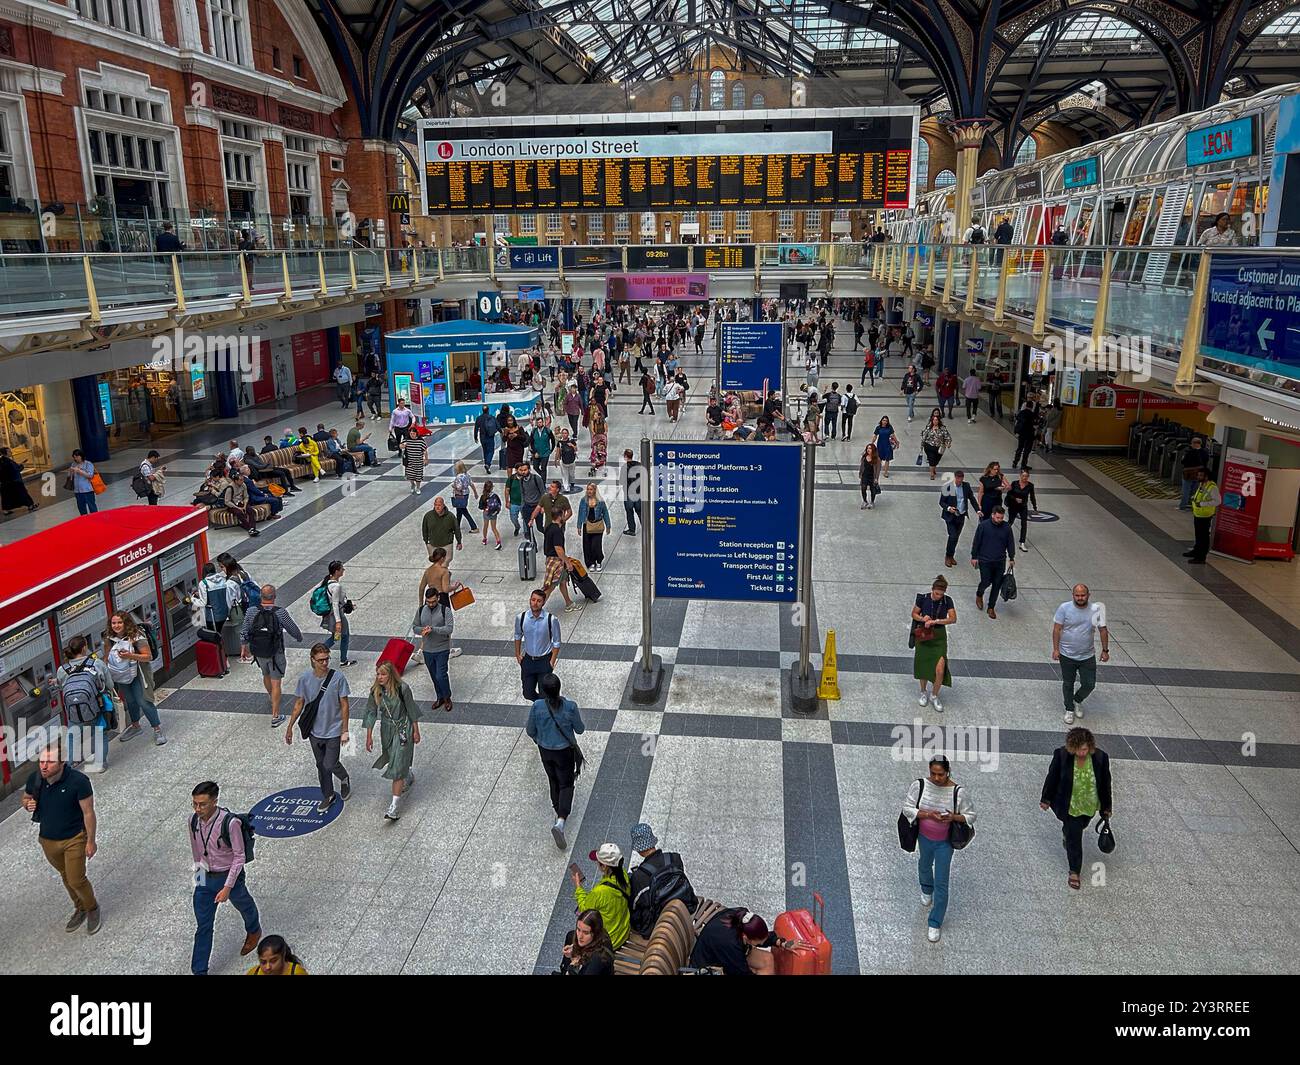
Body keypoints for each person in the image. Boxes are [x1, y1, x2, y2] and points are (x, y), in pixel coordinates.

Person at [22, 742, 101, 935]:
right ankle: (79, 907)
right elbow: (26, 797)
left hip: (74, 838)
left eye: (49, 762)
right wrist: (27, 804)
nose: (43, 766)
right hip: (48, 840)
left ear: (62, 762)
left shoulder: (78, 781)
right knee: (66, 876)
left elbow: (88, 813)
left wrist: (91, 841)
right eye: (41, 761)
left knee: (76, 879)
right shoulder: (36, 779)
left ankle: (91, 908)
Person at [901, 755, 976, 942]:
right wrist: (927, 814)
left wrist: (954, 818)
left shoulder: (958, 792)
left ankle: (935, 922)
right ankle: (926, 888)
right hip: (924, 837)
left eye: (940, 774)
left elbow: (971, 816)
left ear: (947, 772)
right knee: (924, 865)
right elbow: (907, 809)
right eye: (933, 773)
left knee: (942, 881)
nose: (936, 778)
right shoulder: (919, 786)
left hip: (945, 843)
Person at [189, 780, 261, 974]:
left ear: (215, 801)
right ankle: (199, 971)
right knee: (203, 926)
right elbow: (196, 852)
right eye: (194, 804)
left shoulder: (231, 823)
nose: (198, 809)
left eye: (202, 804)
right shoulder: (193, 821)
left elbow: (239, 857)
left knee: (244, 904)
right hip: (205, 878)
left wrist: (227, 887)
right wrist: (199, 883)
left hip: (230, 876)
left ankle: (254, 929)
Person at [1040, 728, 1113, 891]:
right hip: (1069, 805)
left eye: (1085, 749)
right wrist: (1046, 798)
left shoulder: (1100, 758)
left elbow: (1105, 784)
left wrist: (1106, 807)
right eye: (1079, 749)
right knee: (1075, 837)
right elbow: (1052, 777)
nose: (1082, 752)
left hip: (1088, 805)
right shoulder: (1062, 755)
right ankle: (1074, 871)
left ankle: (1067, 833)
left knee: (1078, 827)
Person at [285, 643, 352, 814]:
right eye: (321, 660)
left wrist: (345, 730)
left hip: (334, 730)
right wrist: (290, 726)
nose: (324, 663)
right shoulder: (305, 678)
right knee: (321, 765)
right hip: (314, 730)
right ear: (312, 660)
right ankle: (328, 795)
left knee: (329, 764)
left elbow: (344, 705)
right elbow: (299, 703)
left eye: (327, 659)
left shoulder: (338, 678)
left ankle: (344, 777)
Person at [527, 671, 584, 849]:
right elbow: (580, 729)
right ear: (559, 689)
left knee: (553, 780)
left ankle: (557, 811)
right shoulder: (570, 707)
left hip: (545, 750)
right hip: (564, 752)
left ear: (542, 691)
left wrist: (539, 740)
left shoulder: (537, 706)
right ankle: (561, 821)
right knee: (566, 783)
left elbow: (530, 731)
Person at [362, 660, 422, 821]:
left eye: (383, 674)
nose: (379, 677)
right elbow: (371, 712)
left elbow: (411, 709)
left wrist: (416, 731)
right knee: (395, 760)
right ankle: (406, 774)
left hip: (403, 728)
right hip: (387, 730)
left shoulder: (403, 689)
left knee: (396, 766)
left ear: (390, 675)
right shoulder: (376, 691)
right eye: (378, 674)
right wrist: (369, 735)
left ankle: (394, 806)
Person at [240, 584, 303, 727]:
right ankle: (275, 715)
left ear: (261, 597)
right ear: (274, 597)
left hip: (259, 652)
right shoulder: (280, 612)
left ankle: (271, 697)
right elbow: (292, 629)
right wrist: (299, 637)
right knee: (276, 682)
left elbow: (244, 630)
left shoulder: (251, 612)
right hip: (276, 653)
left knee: (265, 675)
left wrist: (243, 647)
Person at [103, 611, 165, 746]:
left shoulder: (137, 636)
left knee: (143, 701)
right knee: (130, 701)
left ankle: (157, 729)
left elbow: (147, 656)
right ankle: (136, 726)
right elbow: (106, 657)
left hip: (139, 673)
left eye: (120, 622)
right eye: (114, 623)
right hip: (121, 674)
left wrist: (130, 656)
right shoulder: (109, 638)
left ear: (126, 623)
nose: (116, 625)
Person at [1052, 583, 1109, 725]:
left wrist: (1105, 650)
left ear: (1088, 595)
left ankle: (1077, 699)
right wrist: (1056, 649)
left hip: (1087, 655)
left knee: (1089, 684)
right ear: (1073, 596)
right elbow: (1057, 629)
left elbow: (1103, 630)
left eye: (1083, 595)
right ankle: (1069, 708)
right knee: (1068, 683)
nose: (1080, 598)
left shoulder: (1096, 609)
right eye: (1077, 595)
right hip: (1067, 654)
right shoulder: (1064, 608)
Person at [628, 822, 697, 937]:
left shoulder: (639, 876)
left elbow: (636, 905)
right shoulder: (674, 857)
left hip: (660, 921)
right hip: (683, 906)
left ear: (638, 850)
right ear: (653, 841)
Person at [570, 842, 631, 950]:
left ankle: (570, 965)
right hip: (624, 931)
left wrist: (578, 886)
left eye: (598, 862)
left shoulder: (600, 892)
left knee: (571, 936)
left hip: (610, 941)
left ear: (605, 866)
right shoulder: (624, 875)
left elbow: (584, 910)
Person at [690, 908, 783, 974]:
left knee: (768, 959)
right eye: (758, 943)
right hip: (708, 966)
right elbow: (741, 971)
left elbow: (761, 937)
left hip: (725, 954)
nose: (761, 944)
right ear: (745, 937)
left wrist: (780, 942)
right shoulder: (730, 944)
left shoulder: (742, 919)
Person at [912, 575, 955, 710]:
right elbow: (914, 614)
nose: (938, 596)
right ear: (932, 590)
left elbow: (953, 618)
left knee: (940, 669)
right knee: (923, 665)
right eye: (936, 593)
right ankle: (923, 692)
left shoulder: (947, 601)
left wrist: (936, 621)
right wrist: (923, 618)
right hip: (924, 635)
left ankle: (934, 695)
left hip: (939, 637)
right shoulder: (923, 598)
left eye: (941, 594)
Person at [414, 585, 455, 713]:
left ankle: (447, 697)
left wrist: (434, 629)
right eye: (428, 602)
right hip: (427, 649)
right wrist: (422, 630)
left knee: (441, 675)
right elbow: (415, 627)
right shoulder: (421, 610)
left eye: (433, 601)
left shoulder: (445, 610)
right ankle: (440, 697)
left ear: (438, 598)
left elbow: (449, 628)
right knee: (433, 675)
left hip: (442, 648)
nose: (431, 604)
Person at [515, 589, 561, 703]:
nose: (535, 603)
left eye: (539, 601)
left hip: (544, 661)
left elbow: (557, 641)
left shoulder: (551, 619)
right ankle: (540, 705)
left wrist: (552, 661)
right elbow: (517, 636)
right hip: (528, 660)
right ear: (530, 600)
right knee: (527, 693)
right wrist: (517, 654)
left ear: (543, 603)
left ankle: (543, 709)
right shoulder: (521, 618)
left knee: (544, 694)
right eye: (533, 600)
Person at [971, 506, 1015, 619]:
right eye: (997, 517)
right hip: (985, 560)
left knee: (996, 584)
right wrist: (974, 556)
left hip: (999, 561)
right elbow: (976, 542)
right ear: (992, 515)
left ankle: (991, 607)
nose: (1000, 520)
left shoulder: (1007, 528)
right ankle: (979, 594)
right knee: (986, 581)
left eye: (1001, 518)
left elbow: (1010, 543)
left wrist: (1011, 557)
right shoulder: (983, 526)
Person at [540, 497, 578, 611]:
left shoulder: (549, 527)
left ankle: (568, 603)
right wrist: (567, 562)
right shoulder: (557, 531)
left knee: (562, 582)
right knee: (549, 587)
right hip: (556, 562)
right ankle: (537, 609)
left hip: (551, 559)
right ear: (560, 516)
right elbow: (558, 549)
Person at [558, 910, 615, 975]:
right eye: (578, 929)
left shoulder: (598, 959)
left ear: (595, 933)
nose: (580, 936)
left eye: (586, 933)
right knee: (570, 935)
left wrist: (573, 964)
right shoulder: (600, 933)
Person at [939, 469, 977, 566]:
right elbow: (942, 502)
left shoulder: (966, 486)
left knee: (956, 537)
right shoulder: (948, 487)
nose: (959, 481)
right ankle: (948, 556)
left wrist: (978, 510)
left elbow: (971, 498)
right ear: (955, 478)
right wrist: (948, 508)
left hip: (961, 515)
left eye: (961, 479)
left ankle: (951, 555)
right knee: (953, 536)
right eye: (958, 479)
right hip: (950, 517)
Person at [1186, 466, 1221, 564]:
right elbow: (1201, 495)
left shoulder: (1212, 487)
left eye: (1201, 475)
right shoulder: (1202, 484)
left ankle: (1201, 557)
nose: (1198, 477)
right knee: (1198, 535)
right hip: (1198, 514)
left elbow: (1218, 501)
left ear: (1206, 476)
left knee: (1203, 537)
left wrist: (1202, 504)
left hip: (1205, 515)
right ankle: (1196, 551)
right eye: (1198, 475)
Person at [577, 483, 611, 571]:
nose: (589, 491)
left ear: (595, 490)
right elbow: (580, 513)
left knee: (596, 545)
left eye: (591, 489)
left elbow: (605, 513)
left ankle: (599, 560)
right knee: (587, 545)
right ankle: (591, 562)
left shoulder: (600, 502)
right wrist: (579, 526)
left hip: (597, 526)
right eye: (588, 489)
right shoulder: (583, 500)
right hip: (587, 525)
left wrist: (608, 526)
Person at [1005, 467, 1038, 551]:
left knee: (1024, 523)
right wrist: (1015, 499)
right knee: (1010, 521)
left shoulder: (1030, 485)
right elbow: (1009, 494)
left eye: (1026, 476)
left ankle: (1022, 542)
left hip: (1023, 506)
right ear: (1020, 476)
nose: (1024, 478)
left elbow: (1032, 496)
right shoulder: (1014, 483)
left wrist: (1035, 507)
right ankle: (1003, 536)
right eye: (1023, 476)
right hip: (1013, 505)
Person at [0, 446, 38, 514]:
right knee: (23, 493)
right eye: (9, 451)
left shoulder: (2, 461)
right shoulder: (8, 462)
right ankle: (30, 505)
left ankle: (5, 510)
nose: (11, 452)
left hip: (5, 483)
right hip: (15, 481)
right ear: (5, 453)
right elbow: (15, 470)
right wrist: (22, 466)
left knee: (7, 497)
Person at [1178, 436, 1210, 511]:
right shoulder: (1204, 452)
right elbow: (1206, 462)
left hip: (1188, 474)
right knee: (1195, 491)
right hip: (1198, 475)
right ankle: (1192, 506)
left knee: (1186, 490)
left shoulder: (1189, 452)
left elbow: (1183, 461)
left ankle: (1183, 506)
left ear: (1193, 443)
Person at [920, 411, 951, 480]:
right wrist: (922, 446)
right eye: (934, 420)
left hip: (939, 447)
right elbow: (923, 436)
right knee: (931, 460)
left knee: (936, 460)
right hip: (929, 446)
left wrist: (948, 443)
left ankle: (933, 468)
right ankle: (932, 473)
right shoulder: (928, 428)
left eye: (936, 420)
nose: (935, 421)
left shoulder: (943, 428)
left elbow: (947, 436)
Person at [450, 461, 479, 533]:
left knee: (464, 511)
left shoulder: (458, 477)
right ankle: (457, 526)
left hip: (460, 495)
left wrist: (454, 486)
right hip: (466, 494)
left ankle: (474, 527)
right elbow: (471, 484)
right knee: (459, 511)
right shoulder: (467, 475)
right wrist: (475, 493)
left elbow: (459, 487)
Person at [620, 448, 643, 535]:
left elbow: (622, 481)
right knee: (640, 511)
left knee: (629, 512)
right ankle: (645, 527)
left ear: (625, 456)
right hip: (638, 493)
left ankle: (632, 530)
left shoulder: (624, 467)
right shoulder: (639, 465)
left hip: (629, 493)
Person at [69, 449, 98, 515]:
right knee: (81, 508)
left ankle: (96, 520)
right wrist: (71, 472)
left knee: (92, 507)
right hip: (77, 491)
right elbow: (71, 478)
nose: (75, 458)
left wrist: (79, 471)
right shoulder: (73, 464)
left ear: (81, 456)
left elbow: (90, 475)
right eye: (74, 457)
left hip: (87, 490)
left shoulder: (88, 464)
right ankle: (84, 521)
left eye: (77, 456)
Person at [401, 428, 429, 493]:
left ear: (416, 433)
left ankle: (418, 487)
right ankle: (412, 484)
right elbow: (401, 445)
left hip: (418, 462)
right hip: (409, 462)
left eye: (413, 433)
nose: (412, 435)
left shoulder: (421, 441)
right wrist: (402, 446)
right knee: (410, 475)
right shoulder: (406, 440)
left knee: (418, 476)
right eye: (411, 433)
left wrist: (426, 459)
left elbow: (425, 450)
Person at [1011, 400, 1037, 468]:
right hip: (1029, 434)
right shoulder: (1032, 414)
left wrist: (1016, 431)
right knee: (1027, 450)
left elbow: (1017, 422)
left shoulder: (1021, 412)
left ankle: (1015, 463)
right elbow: (1035, 424)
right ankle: (1023, 464)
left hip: (1021, 434)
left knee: (1019, 448)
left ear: (1026, 405)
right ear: (1032, 406)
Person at [473, 404, 499, 473]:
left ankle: (486, 463)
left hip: (482, 437)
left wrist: (475, 437)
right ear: (488, 410)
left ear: (482, 410)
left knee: (485, 451)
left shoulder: (478, 418)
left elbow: (476, 428)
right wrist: (501, 431)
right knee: (491, 451)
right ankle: (488, 464)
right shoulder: (492, 417)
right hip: (490, 436)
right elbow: (497, 425)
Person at [478, 478, 503, 549]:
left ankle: (485, 539)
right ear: (492, 487)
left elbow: (480, 506)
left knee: (485, 526)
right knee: (494, 528)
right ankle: (498, 541)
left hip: (486, 513)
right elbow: (499, 503)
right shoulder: (495, 495)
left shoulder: (483, 496)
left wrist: (485, 508)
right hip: (493, 513)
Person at [859, 442, 881, 510]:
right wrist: (860, 474)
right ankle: (865, 501)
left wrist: (876, 478)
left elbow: (878, 469)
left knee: (873, 490)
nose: (868, 450)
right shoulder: (864, 457)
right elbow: (862, 466)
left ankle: (872, 502)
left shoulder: (877, 459)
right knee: (863, 488)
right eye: (867, 448)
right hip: (865, 475)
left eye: (870, 448)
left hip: (872, 476)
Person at [588, 408, 608, 475]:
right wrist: (593, 433)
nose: (594, 416)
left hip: (602, 437)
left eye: (595, 415)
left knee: (602, 451)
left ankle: (602, 463)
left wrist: (605, 432)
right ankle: (595, 464)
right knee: (595, 451)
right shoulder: (593, 422)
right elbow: (592, 429)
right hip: (596, 438)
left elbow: (606, 429)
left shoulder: (603, 422)